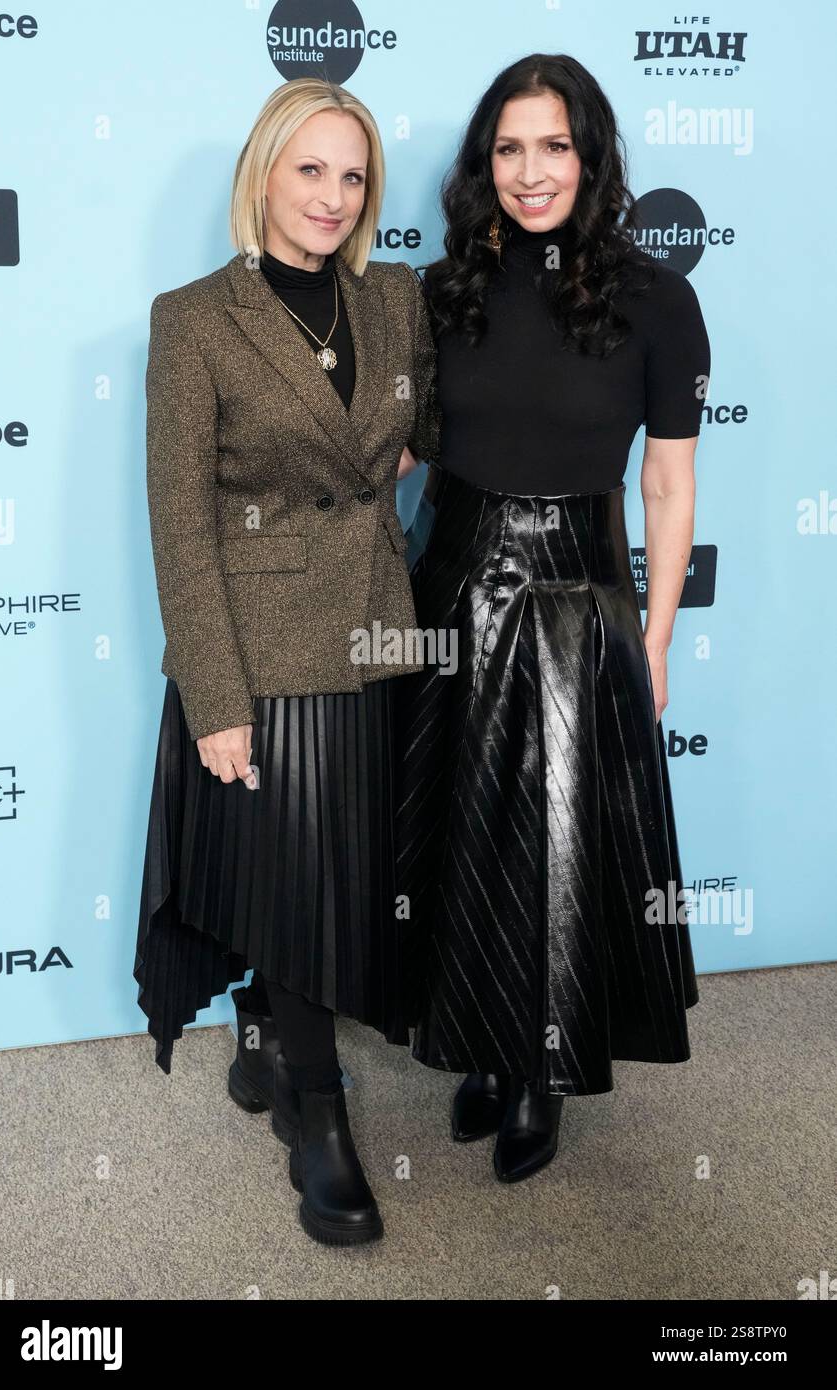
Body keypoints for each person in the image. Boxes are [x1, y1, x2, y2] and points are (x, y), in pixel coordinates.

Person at [134, 76, 438, 1245]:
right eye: (310, 169)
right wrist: (214, 698)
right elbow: (178, 521)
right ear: (263, 172)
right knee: (299, 879)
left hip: (373, 627)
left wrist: (402, 453)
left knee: (337, 873)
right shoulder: (194, 316)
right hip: (257, 653)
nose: (332, 195)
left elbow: (435, 424)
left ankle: (263, 1052)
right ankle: (316, 1112)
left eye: (352, 175)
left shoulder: (394, 299)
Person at [396, 53, 709, 1184]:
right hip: (450, 581)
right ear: (486, 162)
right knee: (456, 830)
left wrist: (657, 637)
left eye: (554, 146)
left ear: (591, 155)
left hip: (580, 592)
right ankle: (477, 1043)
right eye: (509, 149)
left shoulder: (655, 299)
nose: (531, 173)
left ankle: (534, 1068)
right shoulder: (442, 293)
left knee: (554, 841)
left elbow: (667, 486)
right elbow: (400, 452)